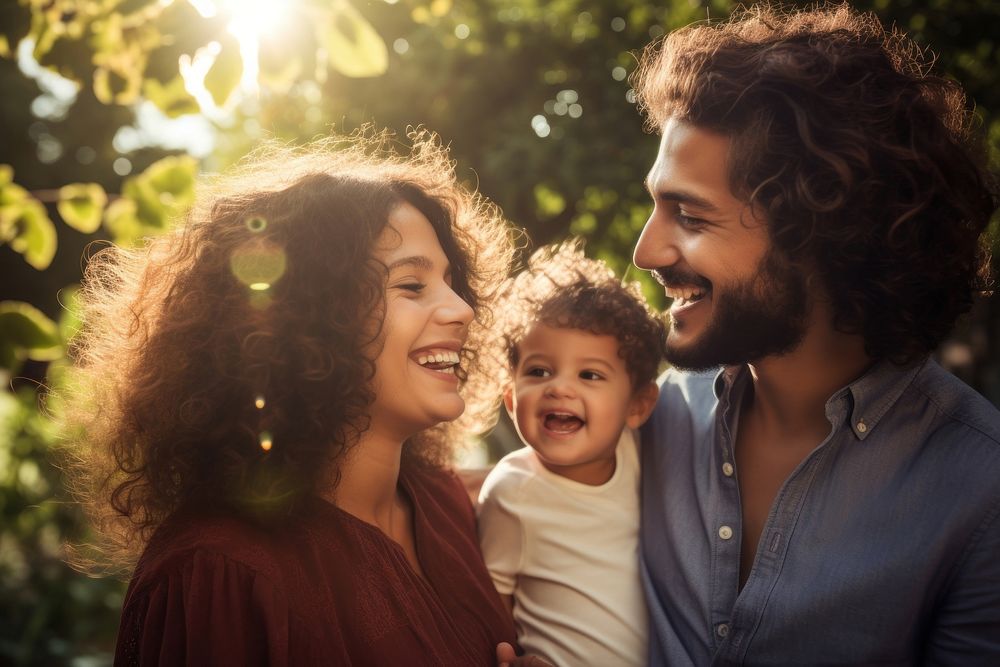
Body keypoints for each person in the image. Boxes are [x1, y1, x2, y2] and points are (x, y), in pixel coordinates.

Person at [59, 131, 518, 665]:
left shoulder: (452, 508)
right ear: (308, 322)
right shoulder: (218, 573)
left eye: (452, 282)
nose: (461, 308)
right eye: (411, 286)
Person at [629, 4, 1000, 665]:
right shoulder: (649, 417)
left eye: (688, 215)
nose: (646, 250)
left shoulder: (979, 488)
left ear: (817, 237)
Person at [471, 242, 664, 666]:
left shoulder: (641, 456)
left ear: (637, 406)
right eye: (539, 371)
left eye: (589, 374)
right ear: (511, 399)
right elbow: (492, 602)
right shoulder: (513, 491)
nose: (559, 387)